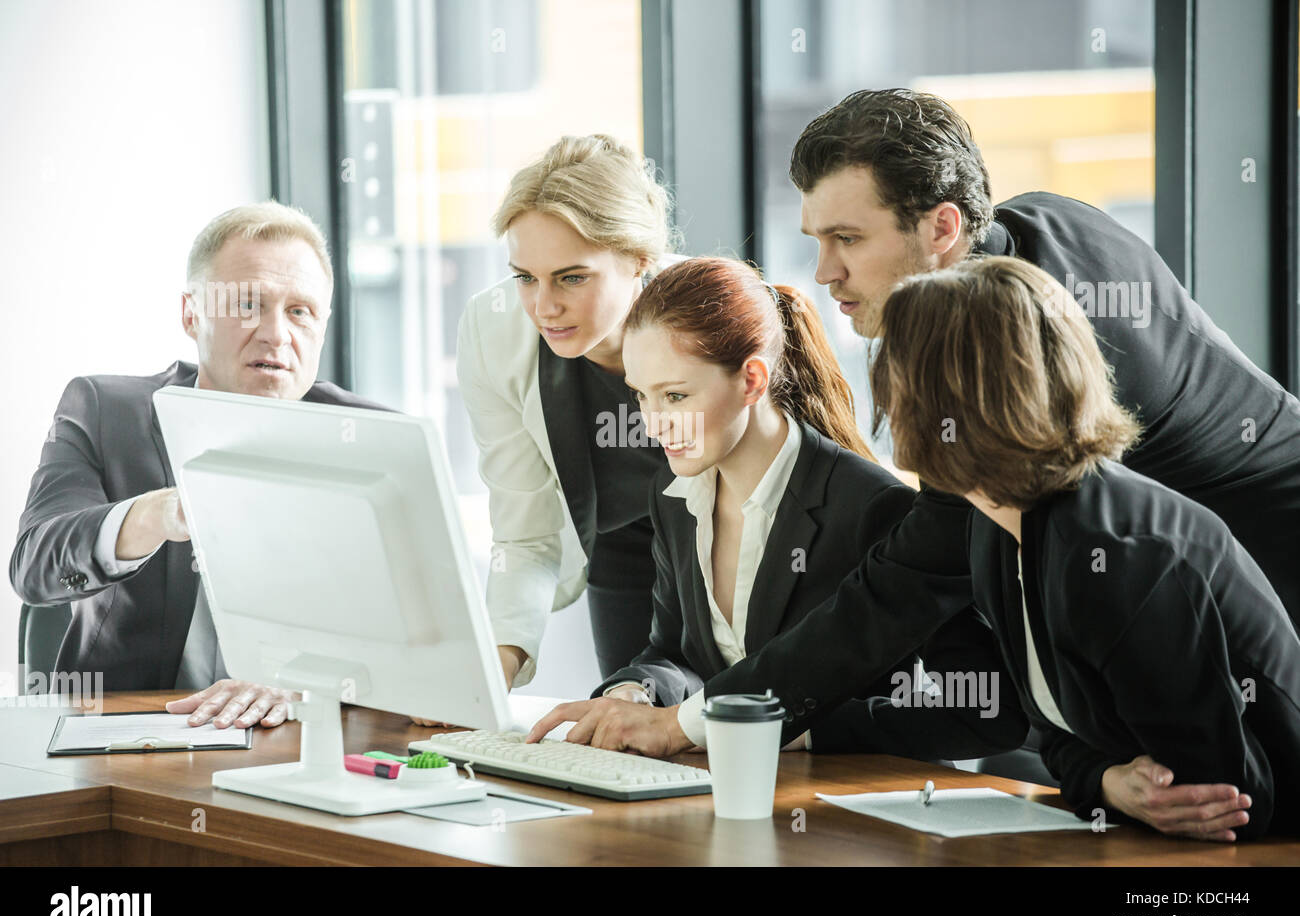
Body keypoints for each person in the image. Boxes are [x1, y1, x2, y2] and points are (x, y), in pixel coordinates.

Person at [523, 86, 1300, 823]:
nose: (823, 272)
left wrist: (705, 722)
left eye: (848, 240)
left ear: (942, 227)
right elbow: (1039, 709)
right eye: (817, 240)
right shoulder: (973, 319)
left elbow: (900, 592)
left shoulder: (1043, 346)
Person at [527, 257, 1027, 762]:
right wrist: (634, 693)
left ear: (751, 381)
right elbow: (674, 654)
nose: (653, 426)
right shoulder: (672, 494)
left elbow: (982, 715)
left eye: (675, 396)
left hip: (846, 812)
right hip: (730, 793)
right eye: (641, 396)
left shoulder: (873, 507)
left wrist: (797, 730)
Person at [869, 255, 1300, 840]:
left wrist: (1117, 785)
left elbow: (1216, 801)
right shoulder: (998, 525)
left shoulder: (1115, 552)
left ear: (954, 394)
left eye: (897, 368)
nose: (884, 394)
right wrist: (1106, 783)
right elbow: (1051, 732)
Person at [10, 201, 388, 728]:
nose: (277, 334)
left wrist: (304, 686)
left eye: (300, 311)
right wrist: (157, 515)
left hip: (307, 732)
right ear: (192, 314)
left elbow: (418, 630)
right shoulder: (105, 411)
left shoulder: (373, 438)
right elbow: (34, 565)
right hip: (140, 734)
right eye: (248, 304)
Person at [456, 133, 683, 692]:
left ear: (639, 261)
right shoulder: (493, 331)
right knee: (627, 727)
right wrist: (490, 671)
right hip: (619, 549)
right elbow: (524, 532)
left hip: (732, 551)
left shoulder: (713, 314)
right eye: (525, 277)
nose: (545, 306)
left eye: (571, 277)